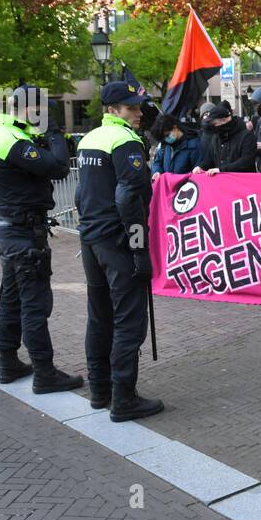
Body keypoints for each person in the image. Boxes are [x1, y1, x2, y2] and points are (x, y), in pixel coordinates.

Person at [0, 84, 84, 395]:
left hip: (9, 228)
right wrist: (53, 133)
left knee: (11, 300)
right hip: (24, 234)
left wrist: (2, 201)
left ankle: (8, 362)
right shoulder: (14, 141)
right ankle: (44, 372)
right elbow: (59, 167)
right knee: (34, 305)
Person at [75, 80, 163, 422]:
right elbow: (130, 199)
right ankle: (124, 398)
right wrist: (140, 249)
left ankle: (100, 392)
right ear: (113, 110)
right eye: (132, 108)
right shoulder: (125, 140)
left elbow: (82, 194)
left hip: (91, 238)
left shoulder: (89, 139)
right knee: (129, 320)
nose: (139, 113)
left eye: (139, 107)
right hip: (117, 240)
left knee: (99, 316)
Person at [194, 102, 257, 173]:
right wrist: (201, 167)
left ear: (224, 120)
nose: (213, 128)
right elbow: (209, 159)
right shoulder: (216, 138)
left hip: (242, 181)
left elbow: (246, 161)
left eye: (214, 124)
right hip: (222, 181)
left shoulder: (246, 136)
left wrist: (222, 170)